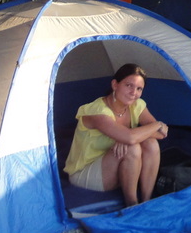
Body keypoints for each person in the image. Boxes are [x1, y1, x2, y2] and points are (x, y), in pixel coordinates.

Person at [63, 63, 167, 205]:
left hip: (115, 164)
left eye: (139, 88)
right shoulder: (97, 111)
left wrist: (133, 136)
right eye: (128, 85)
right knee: (133, 147)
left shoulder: (137, 105)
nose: (133, 92)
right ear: (115, 85)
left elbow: (160, 135)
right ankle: (132, 203)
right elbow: (133, 137)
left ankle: (146, 200)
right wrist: (158, 124)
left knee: (151, 143)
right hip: (85, 172)